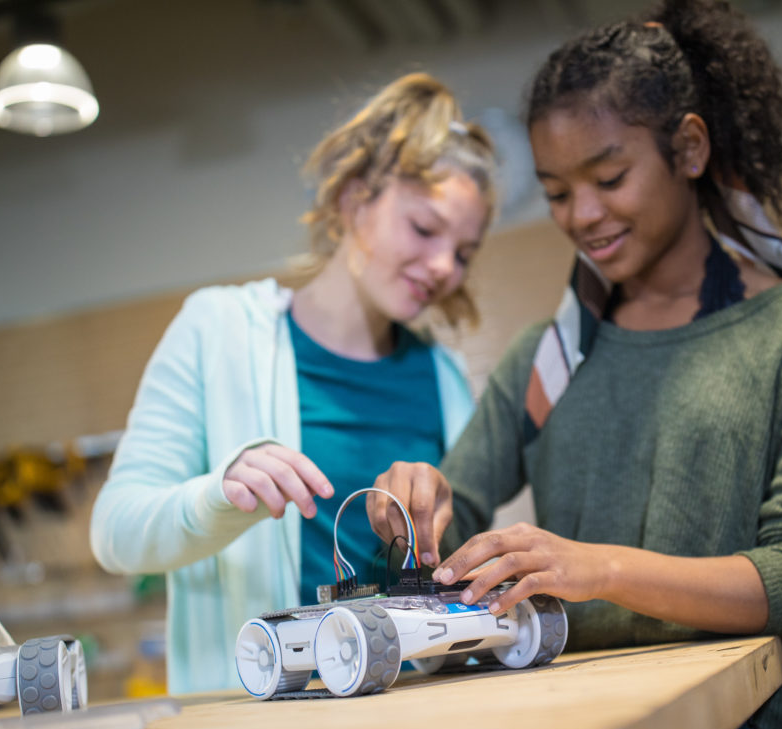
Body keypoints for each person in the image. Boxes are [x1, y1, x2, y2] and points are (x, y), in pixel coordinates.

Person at [366, 3, 782, 729]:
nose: (584, 216)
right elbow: (454, 512)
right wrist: (417, 510)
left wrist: (596, 568)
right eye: (558, 193)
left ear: (689, 148)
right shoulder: (549, 355)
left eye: (609, 178)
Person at [90, 73, 498, 695]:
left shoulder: (445, 379)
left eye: (464, 252)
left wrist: (444, 525)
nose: (445, 266)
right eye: (424, 229)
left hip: (418, 721)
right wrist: (221, 496)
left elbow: (462, 580)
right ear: (354, 199)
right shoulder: (216, 329)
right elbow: (115, 534)